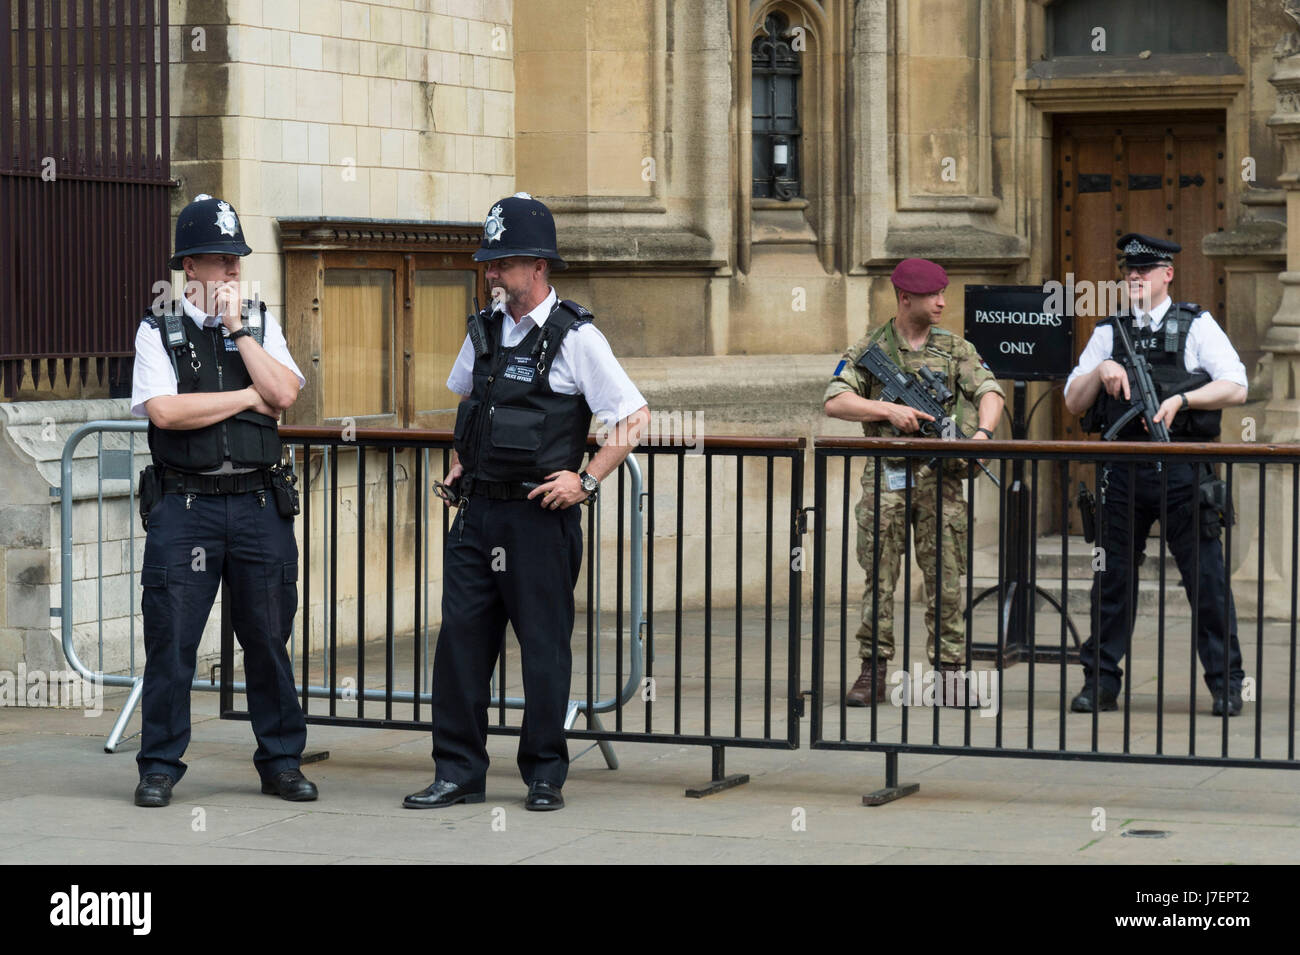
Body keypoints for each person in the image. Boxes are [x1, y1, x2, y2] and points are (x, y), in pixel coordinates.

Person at [403, 193, 649, 812]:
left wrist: (587, 480)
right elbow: (469, 406)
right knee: (459, 643)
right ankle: (458, 771)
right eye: (489, 262)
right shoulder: (483, 328)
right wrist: (461, 461)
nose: (490, 272)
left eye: (502, 262)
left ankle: (544, 774)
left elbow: (634, 417)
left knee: (542, 647)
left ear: (538, 266)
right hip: (477, 515)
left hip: (539, 519)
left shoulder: (576, 336)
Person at [130, 195, 317, 807]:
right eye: (223, 263)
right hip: (186, 506)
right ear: (191, 267)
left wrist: (239, 333)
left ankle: (282, 761)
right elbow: (166, 411)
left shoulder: (259, 322)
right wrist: (244, 398)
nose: (235, 274)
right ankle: (158, 765)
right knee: (174, 641)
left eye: (238, 261)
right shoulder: (157, 328)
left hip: (259, 504)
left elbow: (285, 392)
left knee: (267, 639)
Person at [1064, 233, 1247, 716]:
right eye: (1129, 270)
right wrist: (1100, 368)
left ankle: (1226, 683)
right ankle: (1100, 681)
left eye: (1145, 270)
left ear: (1167, 274)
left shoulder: (1197, 324)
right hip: (1122, 475)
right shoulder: (1110, 331)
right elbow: (1073, 401)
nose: (1135, 277)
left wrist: (1183, 400)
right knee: (1111, 580)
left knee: (1206, 581)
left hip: (1184, 472)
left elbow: (1236, 386)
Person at [824, 258, 1005, 707]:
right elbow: (835, 401)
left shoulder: (955, 349)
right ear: (906, 298)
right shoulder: (871, 348)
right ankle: (873, 671)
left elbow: (991, 391)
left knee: (945, 579)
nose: (943, 302)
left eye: (944, 293)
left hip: (940, 480)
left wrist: (981, 434)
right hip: (886, 478)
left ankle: (949, 673)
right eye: (932, 295)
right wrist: (888, 410)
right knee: (879, 578)